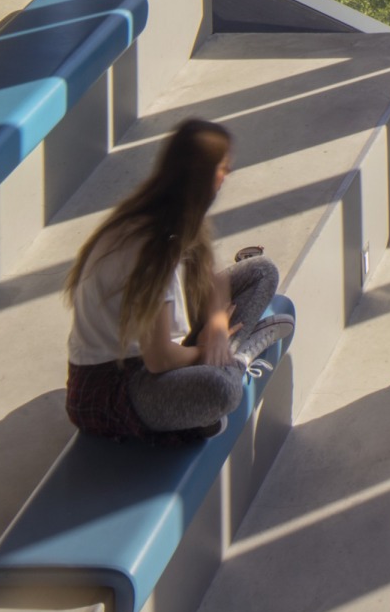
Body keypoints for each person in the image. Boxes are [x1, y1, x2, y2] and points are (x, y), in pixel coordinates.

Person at [64, 117, 291, 440]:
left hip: (148, 356)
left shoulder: (167, 212)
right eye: (223, 168)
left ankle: (226, 356)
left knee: (261, 271)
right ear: (205, 176)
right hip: (112, 388)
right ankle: (236, 359)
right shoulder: (156, 248)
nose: (227, 176)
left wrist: (214, 326)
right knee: (222, 392)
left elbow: (212, 282)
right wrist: (206, 350)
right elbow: (159, 360)